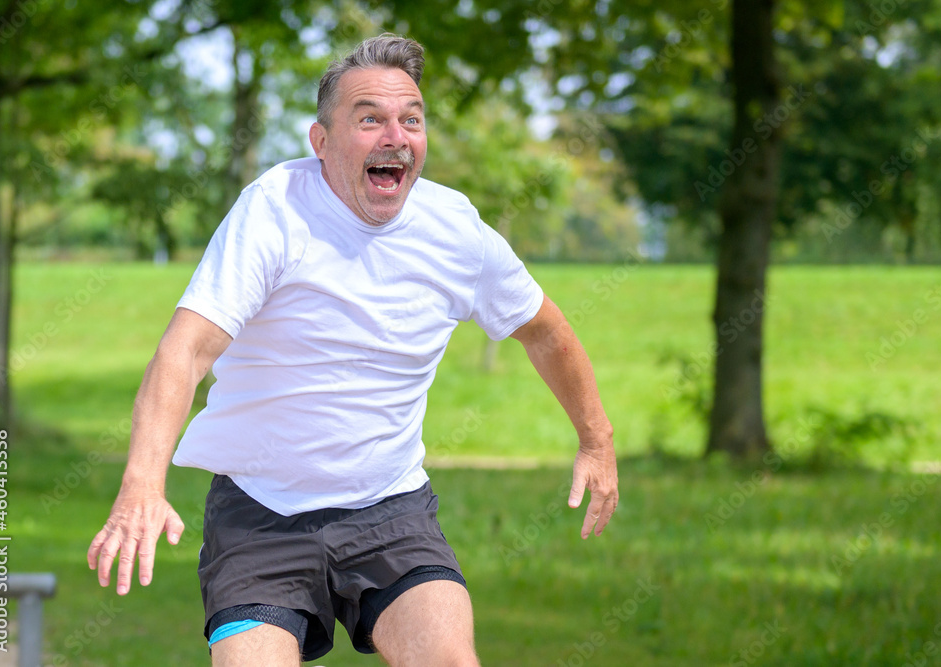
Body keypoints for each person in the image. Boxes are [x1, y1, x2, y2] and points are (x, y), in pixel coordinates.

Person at [87, 33, 618, 666]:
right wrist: (143, 483)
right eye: (370, 119)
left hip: (390, 508)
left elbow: (546, 330)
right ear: (321, 142)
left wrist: (596, 439)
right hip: (261, 510)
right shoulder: (274, 211)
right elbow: (187, 350)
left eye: (411, 120)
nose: (395, 136)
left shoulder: (456, 232)